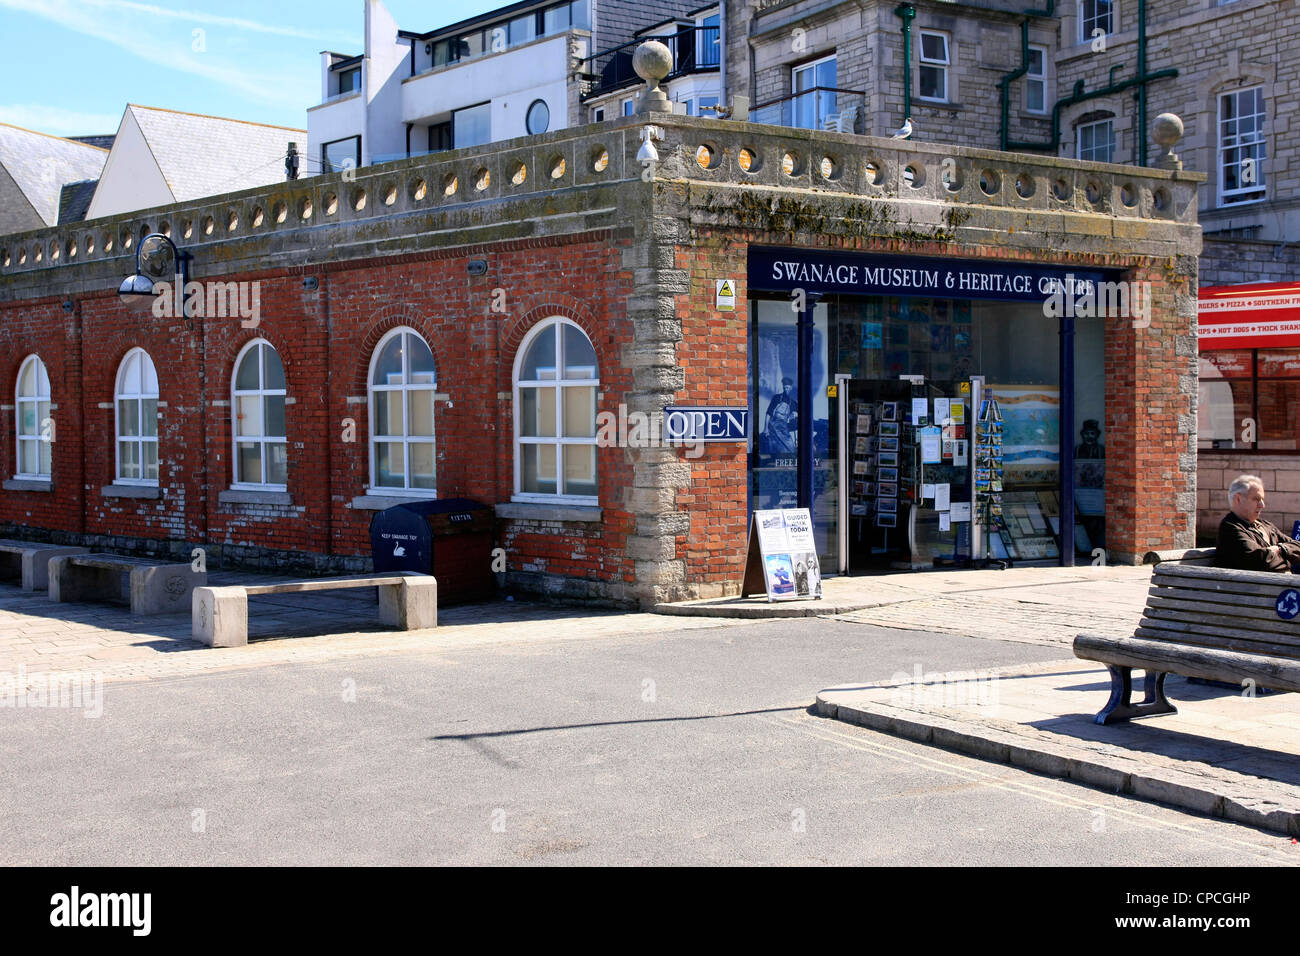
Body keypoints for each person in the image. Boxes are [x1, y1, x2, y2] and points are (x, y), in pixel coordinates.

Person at [1214, 475, 1300, 573]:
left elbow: (1298, 546)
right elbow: (1259, 561)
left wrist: (1280, 549)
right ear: (1238, 499)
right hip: (1256, 586)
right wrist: (1288, 558)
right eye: (1256, 499)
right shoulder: (1230, 528)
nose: (1262, 505)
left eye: (1262, 499)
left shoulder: (1266, 526)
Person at [762, 377, 798, 455]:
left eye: (788, 388)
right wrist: (765, 429)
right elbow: (768, 413)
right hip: (773, 426)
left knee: (791, 449)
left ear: (791, 388)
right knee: (775, 448)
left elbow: (802, 414)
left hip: (784, 427)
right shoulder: (777, 398)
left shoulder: (793, 403)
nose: (786, 390)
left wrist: (794, 415)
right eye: (785, 388)